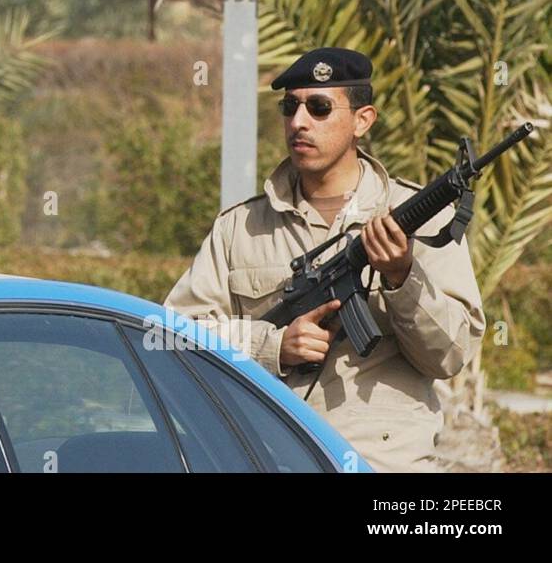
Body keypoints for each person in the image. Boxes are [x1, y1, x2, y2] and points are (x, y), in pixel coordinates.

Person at [164, 47, 485, 472]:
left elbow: (449, 356)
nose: (299, 122)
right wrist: (272, 346)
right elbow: (173, 338)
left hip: (382, 464)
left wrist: (402, 278)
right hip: (269, 459)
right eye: (290, 106)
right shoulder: (239, 228)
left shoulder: (424, 221)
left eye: (318, 108)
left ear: (362, 120)